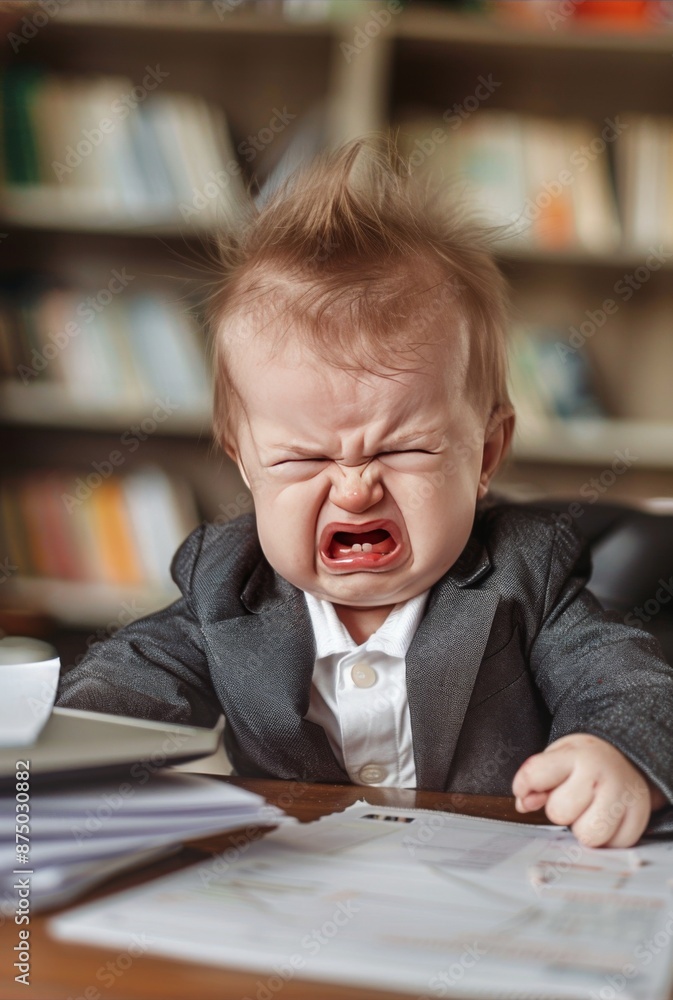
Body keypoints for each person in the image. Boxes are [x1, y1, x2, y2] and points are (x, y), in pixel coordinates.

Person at [57, 136, 673, 848]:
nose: (353, 489)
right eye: (302, 457)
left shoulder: (525, 578)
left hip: (484, 888)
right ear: (245, 463)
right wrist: (55, 761)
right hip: (297, 888)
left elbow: (630, 686)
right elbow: (123, 694)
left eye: (403, 449)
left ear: (486, 453)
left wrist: (614, 755)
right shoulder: (228, 583)